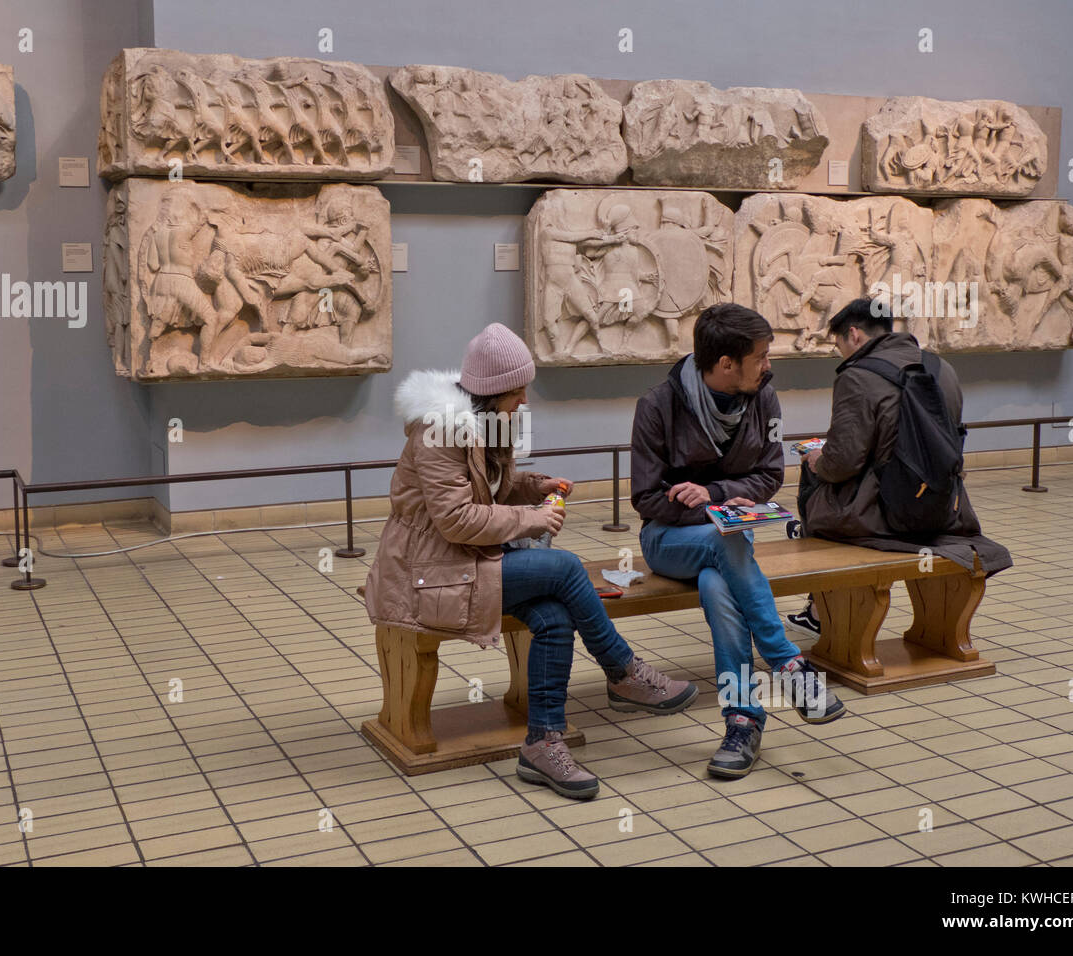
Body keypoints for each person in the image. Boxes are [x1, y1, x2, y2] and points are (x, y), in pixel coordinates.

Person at [365, 323, 697, 800]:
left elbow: (490, 490)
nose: (523, 401)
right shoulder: (439, 432)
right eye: (518, 391)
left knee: (556, 616)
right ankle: (623, 673)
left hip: (467, 561)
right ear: (493, 390)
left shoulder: (483, 422)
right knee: (562, 568)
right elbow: (457, 519)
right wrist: (532, 519)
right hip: (427, 573)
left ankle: (543, 744)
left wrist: (534, 486)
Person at [631, 303, 845, 780]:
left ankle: (742, 719)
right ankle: (788, 663)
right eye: (762, 357)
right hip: (666, 542)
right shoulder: (657, 406)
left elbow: (770, 475)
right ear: (726, 364)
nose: (769, 365)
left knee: (717, 583)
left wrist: (713, 494)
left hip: (727, 548)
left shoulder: (763, 399)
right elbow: (644, 498)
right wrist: (707, 510)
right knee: (721, 541)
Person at [786, 298, 1012, 635]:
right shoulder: (941, 368)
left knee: (813, 482)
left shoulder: (857, 376)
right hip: (947, 509)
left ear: (854, 334)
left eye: (838, 345)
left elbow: (842, 463)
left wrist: (817, 459)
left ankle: (820, 610)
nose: (840, 354)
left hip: (883, 516)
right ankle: (819, 604)